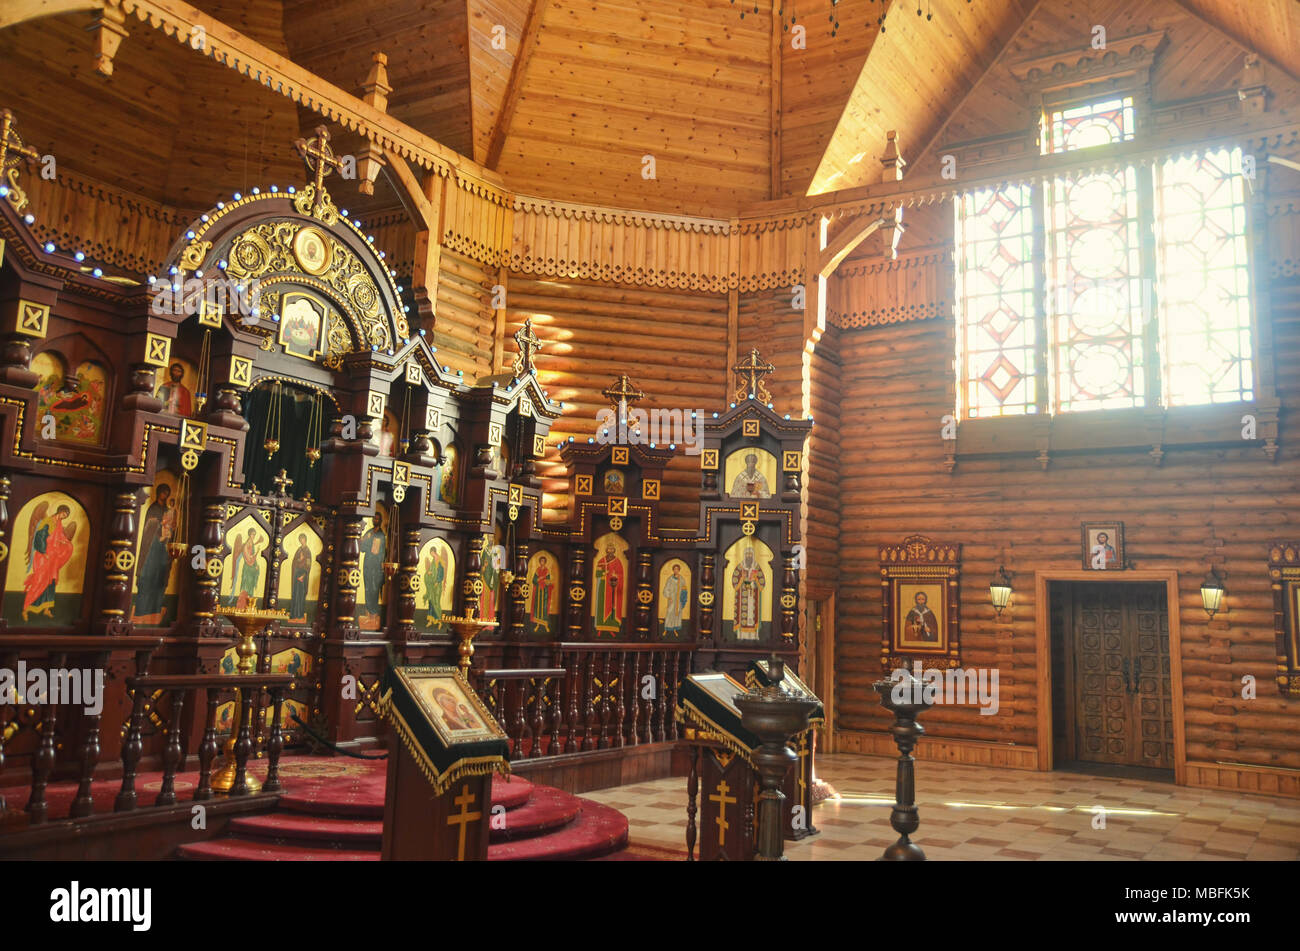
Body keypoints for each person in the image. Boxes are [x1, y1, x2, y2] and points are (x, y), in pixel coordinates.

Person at [23, 504, 75, 621]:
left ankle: (47, 609)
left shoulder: (59, 524)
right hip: (43, 556)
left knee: (50, 582)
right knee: (39, 580)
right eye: (63, 514)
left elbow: (60, 537)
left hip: (53, 558)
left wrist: (66, 544)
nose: (63, 517)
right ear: (59, 511)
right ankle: (27, 608)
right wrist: (44, 551)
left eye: (65, 516)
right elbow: (39, 538)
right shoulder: (47, 521)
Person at [133, 483, 174, 623]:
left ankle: (155, 609)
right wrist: (159, 525)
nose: (165, 495)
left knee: (159, 579)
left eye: (167, 493)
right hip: (151, 549)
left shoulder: (167, 509)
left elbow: (170, 527)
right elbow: (148, 528)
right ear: (158, 493)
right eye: (163, 492)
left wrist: (169, 529)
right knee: (147, 578)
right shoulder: (153, 509)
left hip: (162, 551)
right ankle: (141, 610)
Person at [731, 546, 766, 640]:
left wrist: (755, 581)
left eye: (750, 555)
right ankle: (741, 636)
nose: (749, 557)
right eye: (747, 554)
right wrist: (741, 580)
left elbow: (762, 582)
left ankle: (754, 636)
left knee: (752, 615)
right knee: (742, 616)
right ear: (744, 556)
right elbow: (734, 581)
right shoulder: (740, 567)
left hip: (753, 596)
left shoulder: (757, 567)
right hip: (742, 596)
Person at [593, 542, 625, 633]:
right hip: (602, 586)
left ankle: (612, 627)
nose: (610, 551)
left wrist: (616, 576)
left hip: (613, 586)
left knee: (613, 605)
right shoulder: (601, 561)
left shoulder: (617, 561)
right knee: (601, 605)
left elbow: (621, 574)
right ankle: (600, 627)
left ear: (614, 551)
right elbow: (597, 574)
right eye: (609, 549)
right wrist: (604, 573)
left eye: (612, 549)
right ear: (606, 550)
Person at [360, 514, 386, 617]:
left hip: (376, 565)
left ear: (380, 521)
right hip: (367, 563)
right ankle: (368, 610)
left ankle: (374, 612)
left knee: (374, 588)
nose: (375, 520)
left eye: (377, 519)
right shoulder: (369, 532)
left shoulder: (381, 535)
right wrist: (366, 540)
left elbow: (382, 552)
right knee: (367, 587)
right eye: (374, 518)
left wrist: (380, 563)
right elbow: (362, 548)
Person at [289, 533, 312, 621]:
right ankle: (294, 614)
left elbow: (308, 566)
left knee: (301, 595)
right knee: (296, 594)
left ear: (305, 540)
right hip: (297, 573)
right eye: (300, 539)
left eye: (302, 539)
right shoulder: (299, 550)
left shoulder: (308, 551)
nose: (301, 541)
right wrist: (300, 559)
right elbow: (295, 561)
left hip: (303, 575)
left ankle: (300, 614)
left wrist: (303, 576)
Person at [530, 555, 555, 634]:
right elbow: (533, 580)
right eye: (541, 561)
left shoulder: (547, 570)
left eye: (543, 561)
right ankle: (537, 623)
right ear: (540, 562)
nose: (542, 563)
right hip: (538, 591)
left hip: (544, 591)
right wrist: (539, 579)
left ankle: (545, 624)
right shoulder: (537, 570)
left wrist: (547, 582)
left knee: (544, 607)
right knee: (538, 606)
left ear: (545, 562)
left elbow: (548, 580)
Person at [423, 546, 447, 629]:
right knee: (430, 601)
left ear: (434, 552)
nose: (431, 555)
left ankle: (439, 621)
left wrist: (437, 581)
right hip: (432, 585)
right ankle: (430, 620)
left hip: (437, 586)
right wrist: (428, 573)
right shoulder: (433, 561)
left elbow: (441, 573)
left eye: (432, 553)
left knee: (436, 602)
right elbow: (432, 570)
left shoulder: (440, 561)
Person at [662, 562, 687, 636]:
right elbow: (666, 588)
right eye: (674, 569)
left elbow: (684, 589)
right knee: (670, 612)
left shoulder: (681, 579)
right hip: (672, 599)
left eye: (677, 569)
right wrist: (669, 596)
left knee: (677, 613)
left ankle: (675, 629)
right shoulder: (670, 579)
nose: (676, 570)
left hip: (678, 600)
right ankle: (666, 629)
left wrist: (683, 598)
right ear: (673, 570)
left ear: (679, 570)